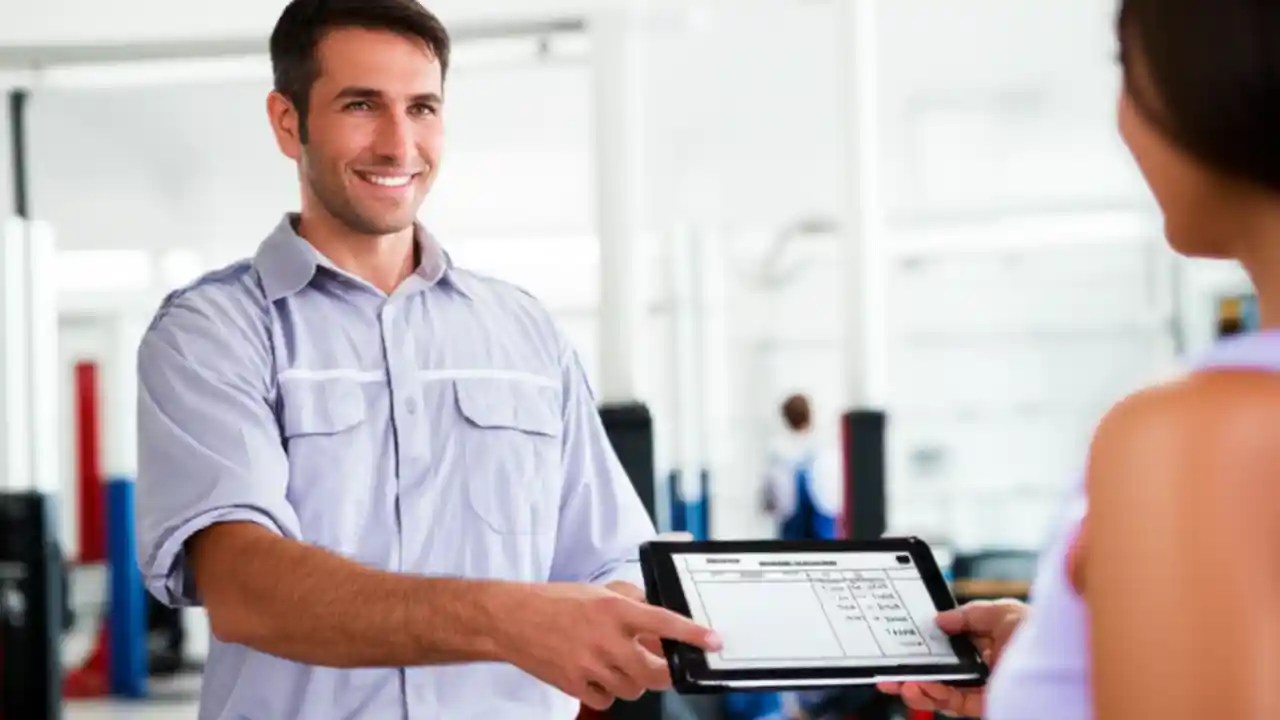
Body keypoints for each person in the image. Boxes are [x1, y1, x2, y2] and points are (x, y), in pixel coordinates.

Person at [133, 1, 721, 718]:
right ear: (288, 122)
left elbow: (610, 556)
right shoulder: (213, 330)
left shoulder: (524, 334)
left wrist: (644, 615)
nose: (397, 143)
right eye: (361, 105)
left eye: (422, 107)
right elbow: (244, 588)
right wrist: (510, 619)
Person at [883, 0, 1280, 717]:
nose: (1122, 121)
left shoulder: (1199, 439)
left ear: (1214, 80)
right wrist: (1065, 668)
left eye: (1124, 70)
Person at [762, 394, 841, 541]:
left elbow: (769, 490)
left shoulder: (779, 449)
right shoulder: (824, 444)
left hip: (801, 516)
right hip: (818, 515)